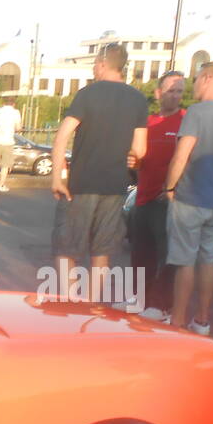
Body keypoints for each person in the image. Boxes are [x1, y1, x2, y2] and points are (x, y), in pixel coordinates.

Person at [51, 43, 148, 296]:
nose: (94, 68)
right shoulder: (138, 99)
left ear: (104, 64)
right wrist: (130, 159)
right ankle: (93, 306)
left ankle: (71, 301)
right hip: (116, 186)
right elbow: (140, 150)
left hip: (82, 184)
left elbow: (62, 136)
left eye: (95, 63)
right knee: (102, 251)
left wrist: (56, 178)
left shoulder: (88, 94)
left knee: (68, 248)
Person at [162, 61, 213, 333]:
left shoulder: (197, 113)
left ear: (209, 78)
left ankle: (177, 320)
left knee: (184, 261)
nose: (195, 84)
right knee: (209, 260)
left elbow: (182, 154)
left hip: (190, 197)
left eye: (198, 78)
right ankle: (202, 321)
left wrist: (169, 187)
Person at [127, 71, 186, 320]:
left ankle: (161, 306)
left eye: (180, 91)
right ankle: (137, 299)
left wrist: (174, 188)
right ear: (158, 93)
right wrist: (132, 164)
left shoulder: (186, 122)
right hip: (142, 197)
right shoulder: (147, 122)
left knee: (167, 256)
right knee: (140, 253)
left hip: (168, 201)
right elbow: (136, 159)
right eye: (171, 90)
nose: (176, 96)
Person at [0, 96, 22, 191]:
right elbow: (18, 128)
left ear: (3, 103)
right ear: (13, 104)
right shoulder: (16, 113)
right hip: (8, 141)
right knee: (5, 166)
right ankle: (0, 185)